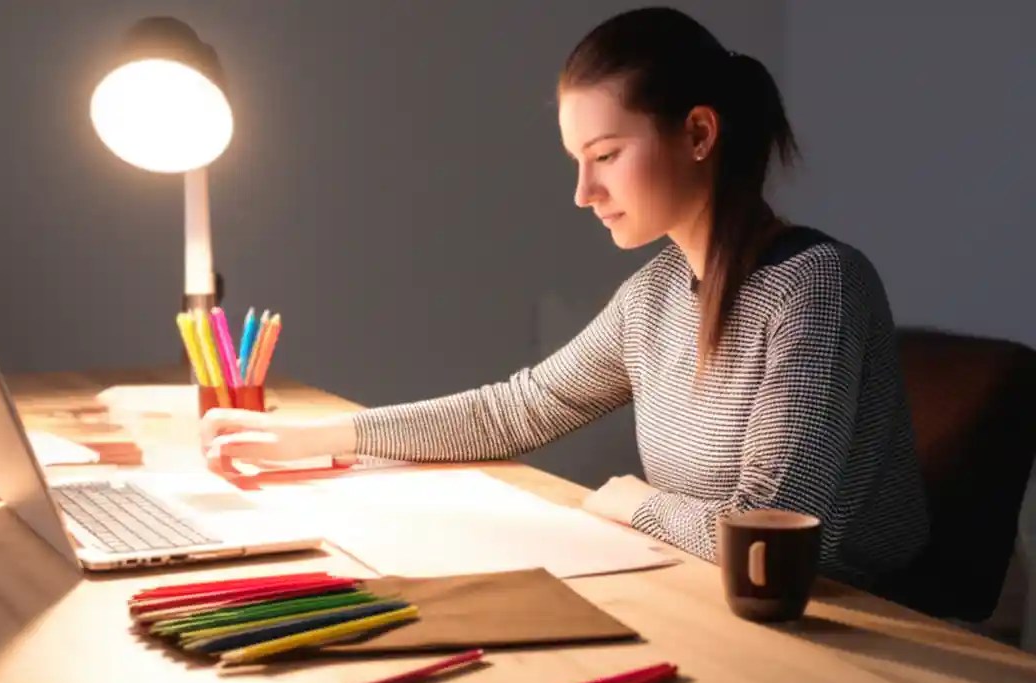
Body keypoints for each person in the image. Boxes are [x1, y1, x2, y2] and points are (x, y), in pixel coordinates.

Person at [200, 7, 930, 591]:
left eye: (606, 156)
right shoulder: (654, 295)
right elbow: (513, 410)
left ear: (699, 133)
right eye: (578, 163)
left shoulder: (816, 284)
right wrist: (318, 441)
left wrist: (631, 502)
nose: (584, 193)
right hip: (706, 591)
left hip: (857, 628)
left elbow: (770, 530)